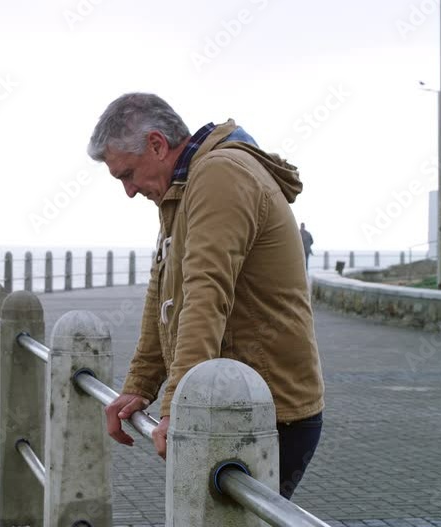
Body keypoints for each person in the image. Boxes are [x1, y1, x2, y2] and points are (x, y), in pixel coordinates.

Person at [87, 93, 324, 500]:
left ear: (157, 145)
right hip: (234, 400)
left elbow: (205, 293)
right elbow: (162, 297)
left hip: (266, 409)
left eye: (127, 174)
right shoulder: (184, 186)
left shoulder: (219, 176)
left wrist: (177, 408)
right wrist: (140, 386)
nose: (128, 191)